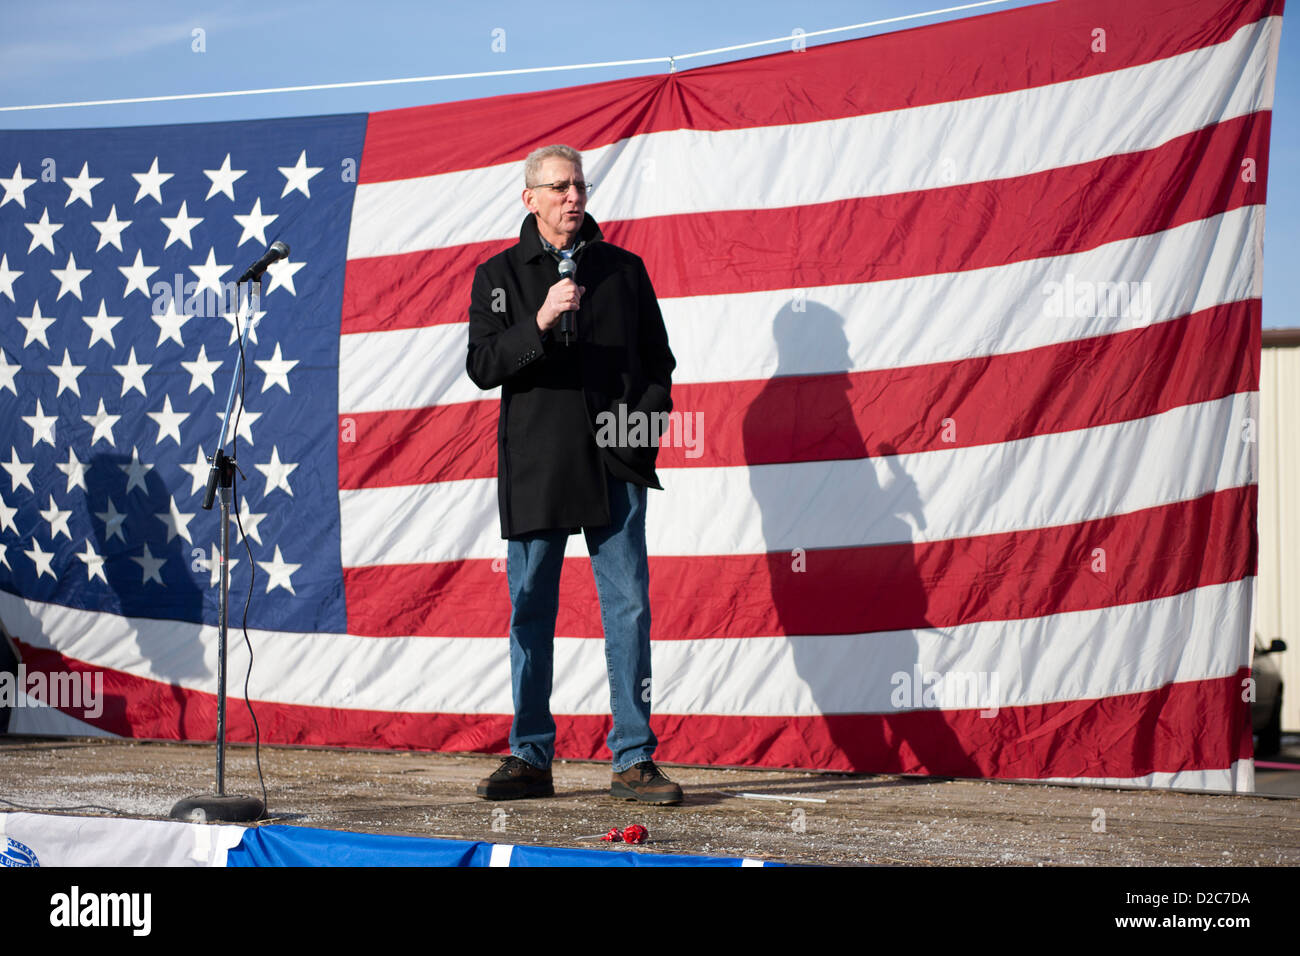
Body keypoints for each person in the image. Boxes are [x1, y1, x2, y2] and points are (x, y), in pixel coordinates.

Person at [465, 144, 681, 804]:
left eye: (578, 185)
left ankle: (633, 759)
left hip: (613, 460)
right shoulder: (499, 275)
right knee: (530, 608)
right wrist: (539, 319)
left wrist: (635, 444)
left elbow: (658, 366)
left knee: (630, 607)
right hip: (539, 463)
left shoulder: (624, 271)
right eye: (558, 187)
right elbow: (483, 366)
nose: (572, 196)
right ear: (530, 199)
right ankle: (530, 755)